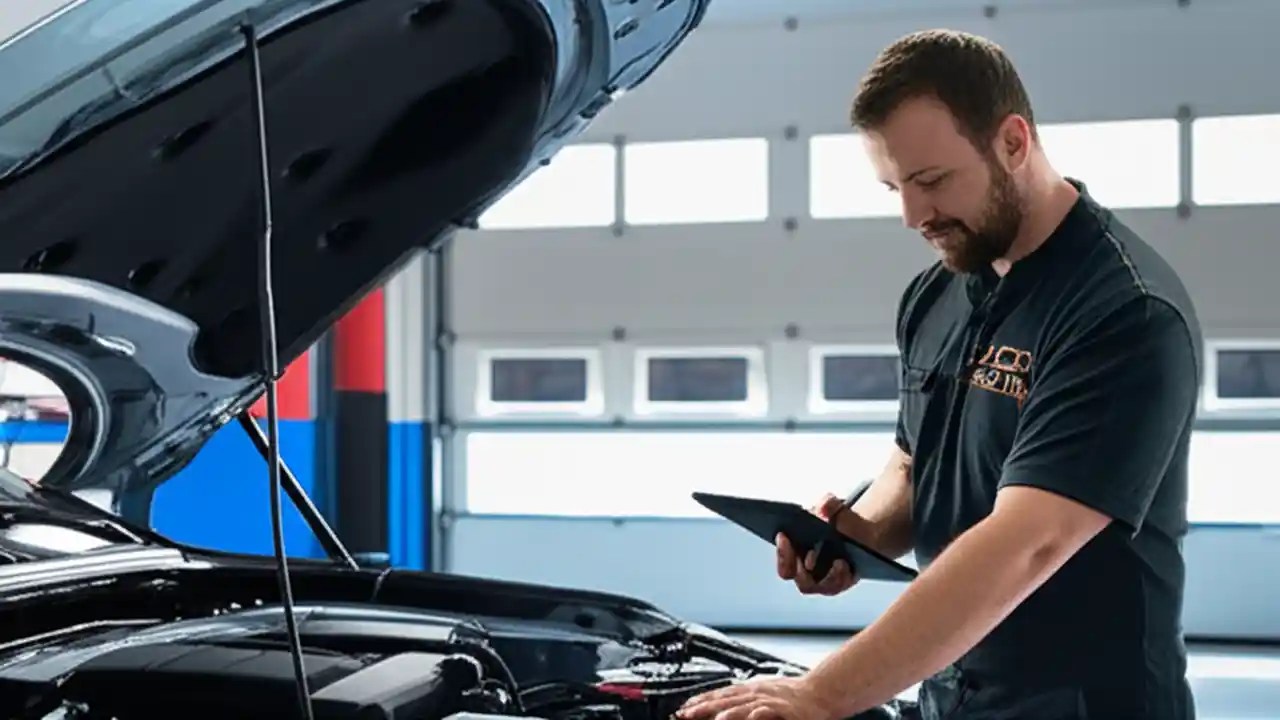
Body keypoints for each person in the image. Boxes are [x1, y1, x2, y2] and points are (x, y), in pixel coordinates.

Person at [676, 28, 1201, 720]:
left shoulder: (1124, 314)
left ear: (1013, 142)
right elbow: (912, 466)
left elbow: (1030, 543)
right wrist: (856, 535)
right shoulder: (937, 294)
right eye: (894, 186)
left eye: (930, 181)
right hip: (952, 697)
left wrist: (824, 692)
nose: (911, 215)